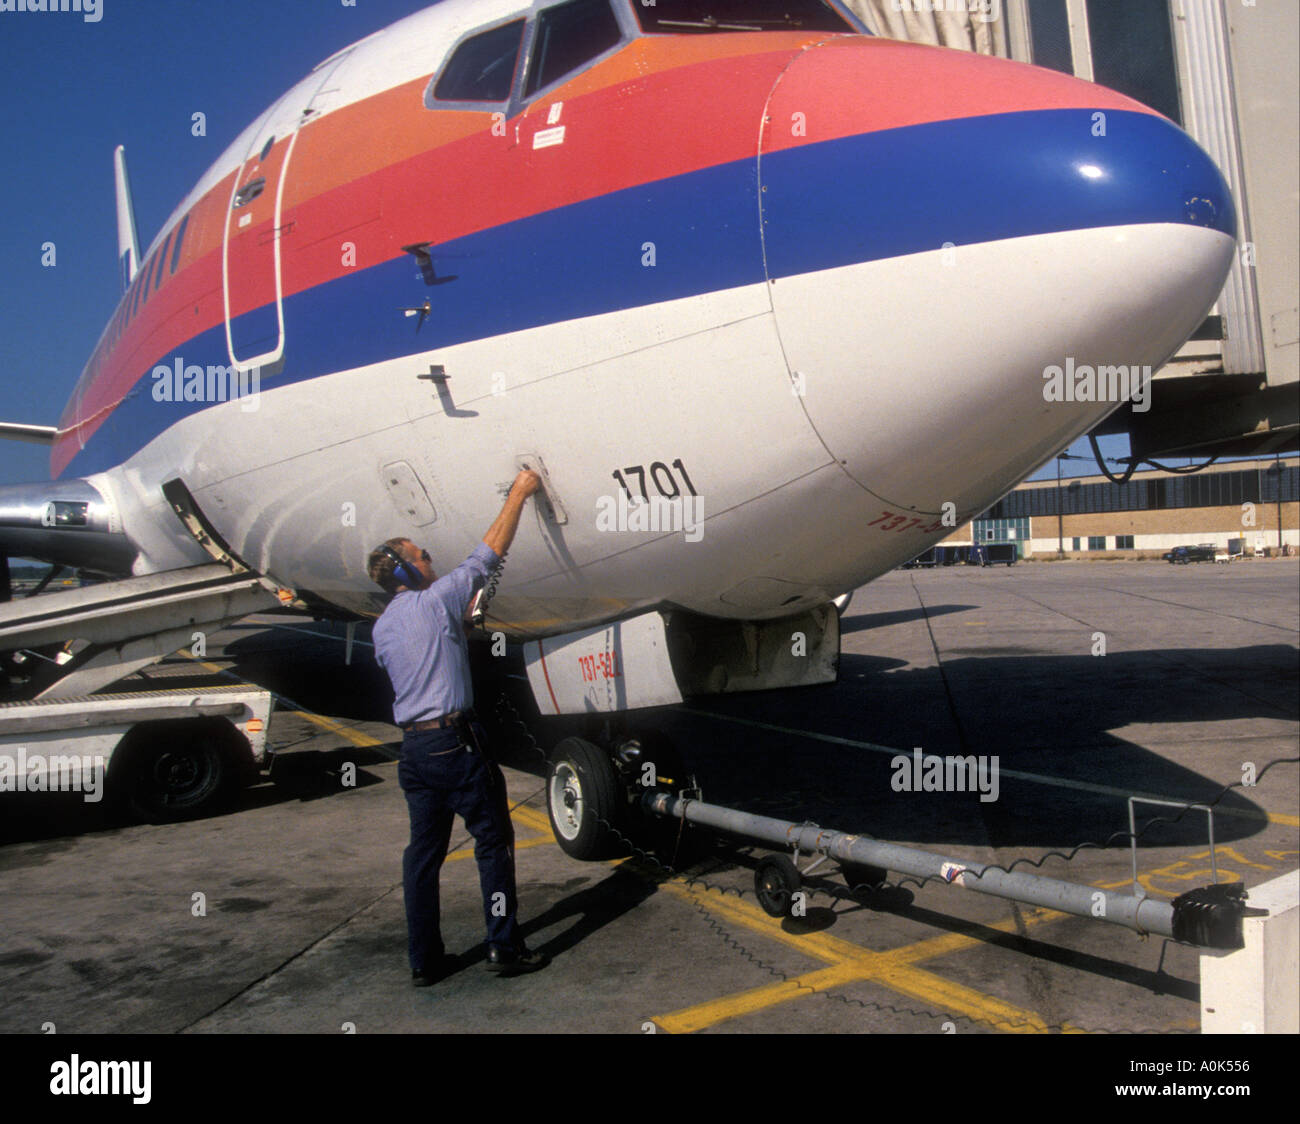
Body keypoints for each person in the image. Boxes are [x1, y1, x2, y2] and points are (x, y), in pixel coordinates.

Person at [367, 468, 550, 985]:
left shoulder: (383, 627)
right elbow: (488, 552)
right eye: (422, 555)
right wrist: (518, 493)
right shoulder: (438, 598)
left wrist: (456, 628)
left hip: (416, 752)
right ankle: (503, 946)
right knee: (492, 844)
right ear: (405, 571)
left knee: (422, 858)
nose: (430, 558)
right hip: (456, 746)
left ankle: (424, 961)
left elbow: (416, 660)